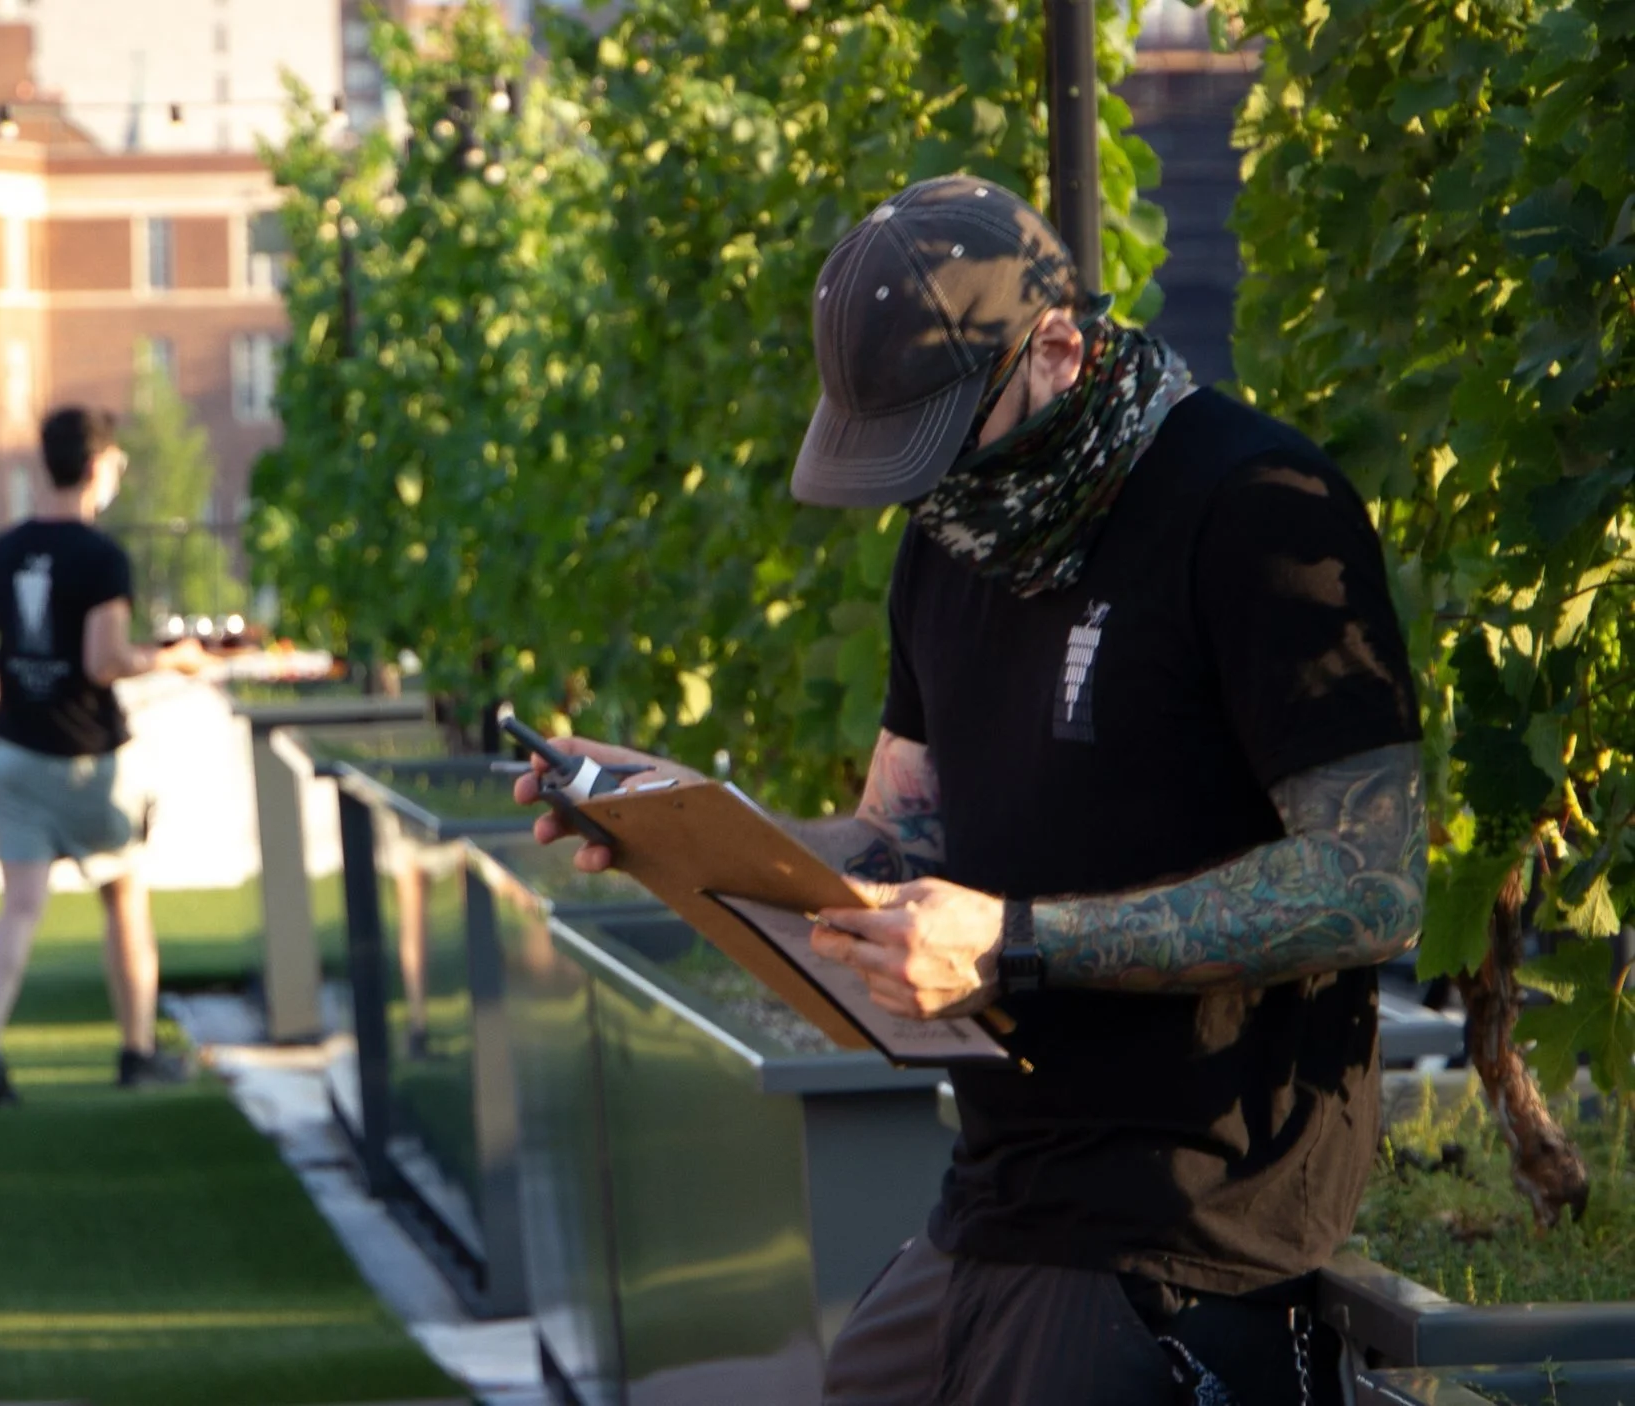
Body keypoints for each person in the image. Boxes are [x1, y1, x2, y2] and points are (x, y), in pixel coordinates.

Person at [518, 175, 1423, 1406]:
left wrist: (1017, 943)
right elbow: (900, 837)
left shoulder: (1254, 509)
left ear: (1057, 346)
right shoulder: (952, 540)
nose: (930, 490)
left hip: (1183, 1214)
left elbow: (1369, 880)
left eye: (949, 439)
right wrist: (684, 825)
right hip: (997, 1191)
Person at [0, 405, 206, 1108]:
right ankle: (136, 1051)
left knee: (19, 908)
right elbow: (103, 661)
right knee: (123, 898)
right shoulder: (101, 557)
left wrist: (25, 662)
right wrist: (172, 658)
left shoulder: (3, 549)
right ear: (97, 467)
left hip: (15, 750)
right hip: (89, 758)